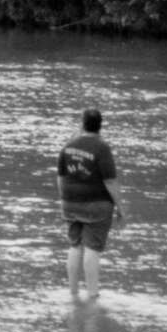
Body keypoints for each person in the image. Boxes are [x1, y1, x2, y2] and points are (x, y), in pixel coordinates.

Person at [56, 107, 122, 300]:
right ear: (100, 126)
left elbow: (60, 177)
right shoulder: (102, 148)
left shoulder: (68, 145)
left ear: (82, 123)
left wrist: (64, 200)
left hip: (70, 203)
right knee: (92, 249)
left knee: (75, 245)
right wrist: (120, 207)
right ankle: (92, 296)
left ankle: (73, 294)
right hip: (96, 206)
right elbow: (110, 181)